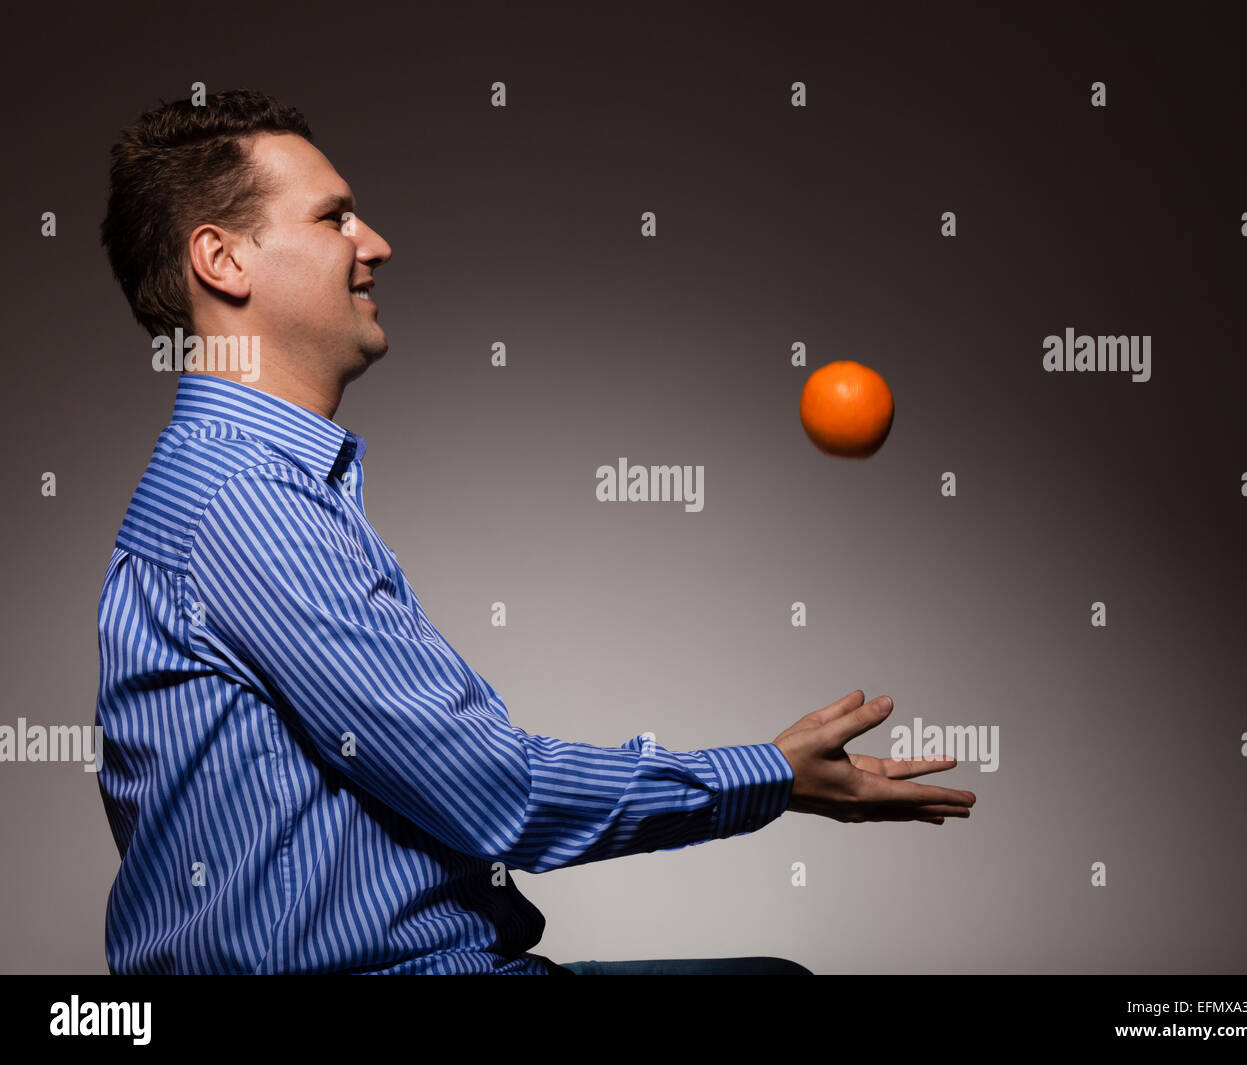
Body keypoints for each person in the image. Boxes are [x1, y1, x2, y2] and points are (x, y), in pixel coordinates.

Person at [95, 89, 976, 976]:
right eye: (335, 218)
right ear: (222, 260)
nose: (375, 244)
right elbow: (493, 793)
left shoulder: (241, 488)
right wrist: (769, 775)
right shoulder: (247, 504)